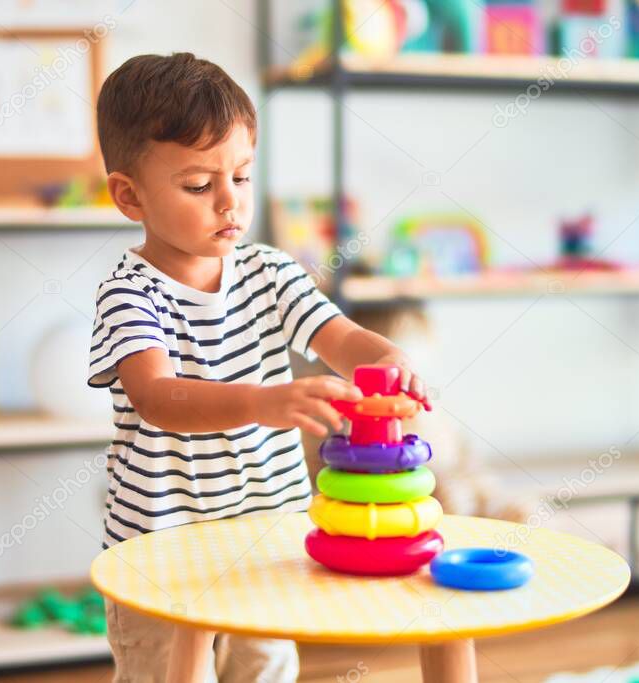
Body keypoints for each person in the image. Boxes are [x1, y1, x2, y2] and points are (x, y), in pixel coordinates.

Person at [88, 52, 427, 683]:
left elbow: (340, 336)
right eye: (198, 186)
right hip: (160, 544)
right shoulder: (130, 291)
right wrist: (262, 403)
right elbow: (158, 396)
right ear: (129, 196)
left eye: (241, 178)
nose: (228, 204)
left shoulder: (270, 271)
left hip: (263, 533)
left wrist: (386, 357)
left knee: (266, 667)